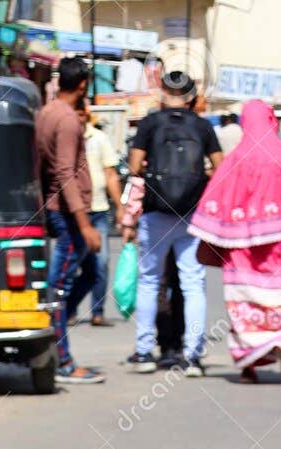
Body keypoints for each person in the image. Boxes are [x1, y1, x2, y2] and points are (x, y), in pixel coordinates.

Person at [189, 98, 281, 382]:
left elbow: (216, 197)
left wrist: (210, 236)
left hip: (242, 249)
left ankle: (248, 366)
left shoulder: (235, 159)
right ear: (271, 121)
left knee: (246, 301)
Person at [126, 69, 222, 376]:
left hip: (156, 211)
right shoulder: (203, 126)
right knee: (193, 283)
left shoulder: (150, 123)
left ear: (163, 94)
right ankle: (192, 356)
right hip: (192, 214)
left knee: (150, 280)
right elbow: (221, 168)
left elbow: (134, 165)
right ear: (191, 96)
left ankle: (143, 352)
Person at [35, 56, 104, 384]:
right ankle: (61, 358)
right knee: (58, 289)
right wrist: (85, 222)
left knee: (90, 272)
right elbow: (64, 171)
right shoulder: (65, 120)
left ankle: (59, 322)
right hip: (67, 213)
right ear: (82, 85)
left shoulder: (49, 112)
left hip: (60, 210)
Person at [67, 103, 122, 326]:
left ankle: (97, 311)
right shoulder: (67, 139)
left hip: (98, 211)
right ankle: (68, 310)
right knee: (72, 265)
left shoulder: (98, 139)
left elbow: (110, 174)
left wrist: (120, 207)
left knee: (100, 263)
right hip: (74, 212)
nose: (79, 118)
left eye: (82, 114)